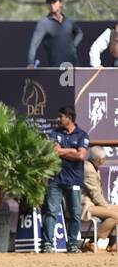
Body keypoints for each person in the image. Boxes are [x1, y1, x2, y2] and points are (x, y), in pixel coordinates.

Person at [42, 105, 89, 253]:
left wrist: (63, 151)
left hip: (74, 180)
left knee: (75, 214)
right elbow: (54, 151)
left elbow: (81, 155)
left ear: (69, 118)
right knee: (51, 211)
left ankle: (72, 244)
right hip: (55, 180)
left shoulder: (82, 135)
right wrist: (71, 151)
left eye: (61, 117)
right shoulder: (54, 133)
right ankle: (48, 244)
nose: (58, 119)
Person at [27, 0, 83, 67]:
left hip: (73, 64)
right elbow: (34, 45)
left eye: (54, 2)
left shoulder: (68, 21)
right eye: (49, 3)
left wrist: (73, 46)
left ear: (60, 3)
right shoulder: (44, 23)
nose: (51, 4)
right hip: (56, 67)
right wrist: (30, 63)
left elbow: (79, 33)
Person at [81, 147, 118, 252]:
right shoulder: (88, 170)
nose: (105, 160)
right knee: (115, 215)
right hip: (87, 206)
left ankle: (113, 244)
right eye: (104, 158)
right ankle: (92, 242)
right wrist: (107, 207)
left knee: (116, 211)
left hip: (95, 204)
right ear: (99, 160)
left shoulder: (93, 167)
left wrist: (108, 207)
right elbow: (95, 195)